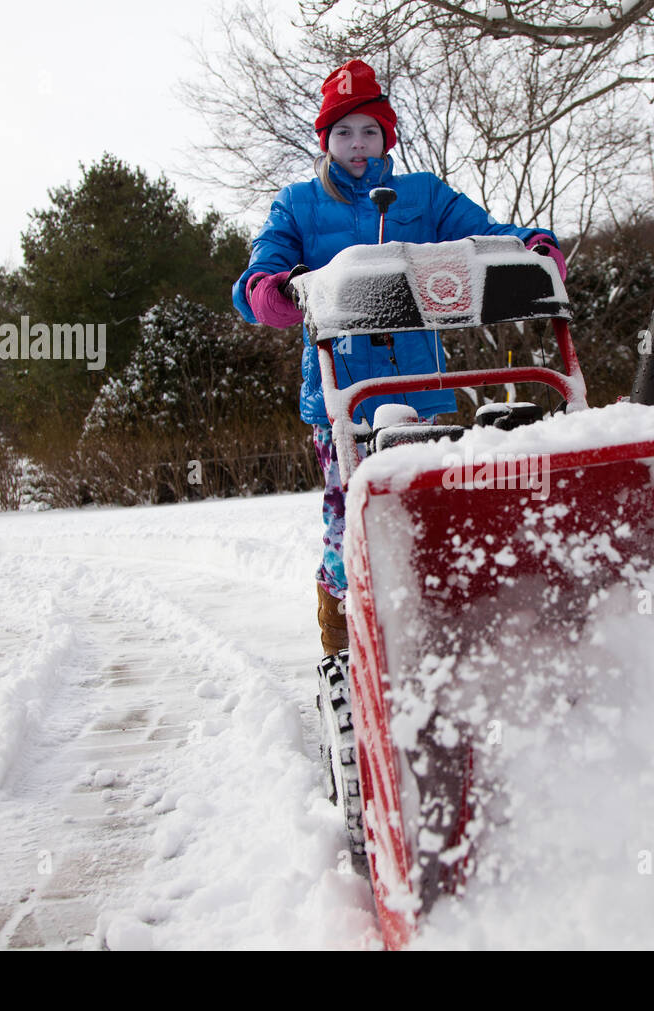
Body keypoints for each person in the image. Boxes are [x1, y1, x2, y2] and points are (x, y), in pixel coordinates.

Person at [233, 59, 566, 662]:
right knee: (349, 519)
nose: (357, 145)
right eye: (343, 133)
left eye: (369, 131)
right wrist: (270, 289)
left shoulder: (424, 196)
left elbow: (485, 233)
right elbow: (261, 269)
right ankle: (343, 638)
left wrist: (532, 244)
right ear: (326, 141)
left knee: (434, 505)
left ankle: (447, 628)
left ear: (386, 136)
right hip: (344, 397)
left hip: (423, 389)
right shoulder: (300, 205)